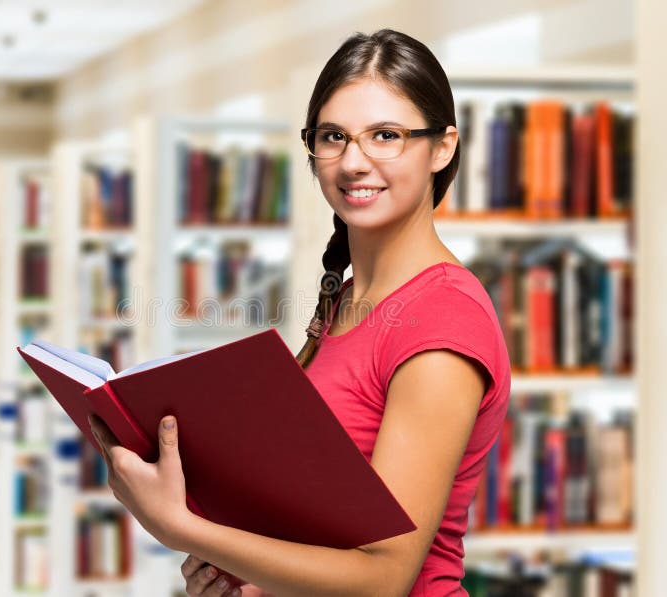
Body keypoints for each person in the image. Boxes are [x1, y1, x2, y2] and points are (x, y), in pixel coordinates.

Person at [88, 28, 511, 596]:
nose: (353, 162)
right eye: (334, 137)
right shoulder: (348, 295)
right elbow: (330, 530)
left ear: (443, 147)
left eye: (385, 135)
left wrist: (183, 527)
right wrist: (251, 579)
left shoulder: (443, 323)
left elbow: (386, 577)